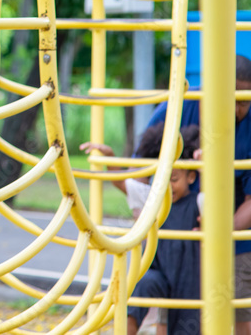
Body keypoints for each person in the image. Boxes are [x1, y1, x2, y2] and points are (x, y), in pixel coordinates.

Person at [141, 55, 251, 334]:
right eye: (233, 98)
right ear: (213, 88)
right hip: (179, 230)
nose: (239, 109)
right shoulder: (178, 109)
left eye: (245, 101)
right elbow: (140, 167)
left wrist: (222, 231)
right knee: (171, 302)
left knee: (238, 295)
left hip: (233, 234)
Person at [83, 123, 202, 335]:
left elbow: (217, 197)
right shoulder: (152, 197)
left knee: (183, 322)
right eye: (163, 179)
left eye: (174, 180)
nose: (169, 186)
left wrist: (203, 166)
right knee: (140, 288)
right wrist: (109, 156)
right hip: (158, 269)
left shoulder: (198, 202)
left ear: (191, 178)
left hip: (188, 274)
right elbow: (121, 183)